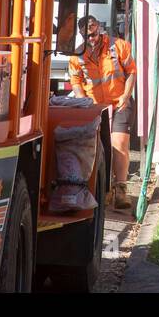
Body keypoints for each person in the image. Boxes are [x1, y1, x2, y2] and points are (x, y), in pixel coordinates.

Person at [68, 15, 137, 210]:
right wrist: (84, 102)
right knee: (100, 148)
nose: (92, 38)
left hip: (119, 102)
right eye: (87, 35)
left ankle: (121, 189)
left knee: (119, 144)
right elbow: (76, 82)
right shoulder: (76, 56)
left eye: (94, 33)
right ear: (82, 34)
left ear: (100, 29)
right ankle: (105, 190)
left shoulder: (119, 46)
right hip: (95, 107)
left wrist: (126, 95)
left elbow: (131, 71)